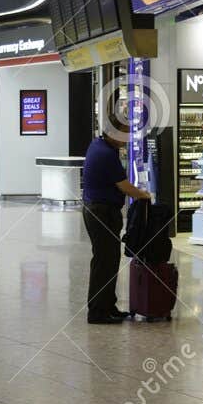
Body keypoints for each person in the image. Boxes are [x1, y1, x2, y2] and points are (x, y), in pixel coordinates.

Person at [81, 116, 151, 323]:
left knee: (108, 261)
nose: (128, 137)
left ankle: (107, 306)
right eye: (124, 132)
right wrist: (144, 196)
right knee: (105, 262)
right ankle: (98, 312)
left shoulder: (99, 145)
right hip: (101, 212)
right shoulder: (105, 154)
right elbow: (123, 186)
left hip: (98, 210)